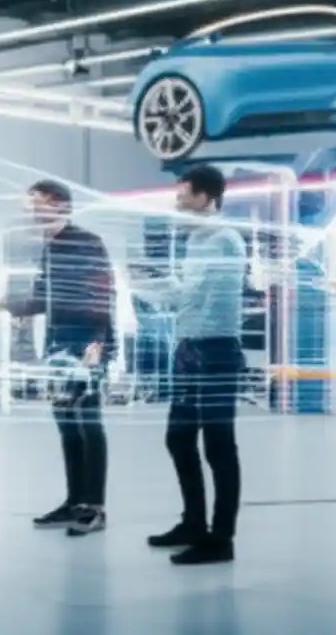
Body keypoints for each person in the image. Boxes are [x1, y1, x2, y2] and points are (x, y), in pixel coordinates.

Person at [144, 165, 247, 565]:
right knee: (179, 438)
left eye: (183, 196)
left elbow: (196, 293)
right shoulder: (195, 242)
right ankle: (193, 523)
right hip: (190, 349)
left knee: (219, 447)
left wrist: (158, 290)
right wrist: (152, 287)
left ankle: (220, 539)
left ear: (206, 198)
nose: (178, 203)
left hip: (215, 351)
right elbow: (187, 293)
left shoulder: (224, 241)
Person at [5, 179, 114, 537]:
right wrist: (5, 305)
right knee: (66, 422)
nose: (29, 209)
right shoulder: (50, 248)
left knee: (88, 422)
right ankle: (74, 501)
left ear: (58, 204)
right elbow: (43, 298)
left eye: (35, 201)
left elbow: (101, 294)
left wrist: (98, 345)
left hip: (85, 345)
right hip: (58, 345)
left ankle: (94, 507)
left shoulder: (87, 243)